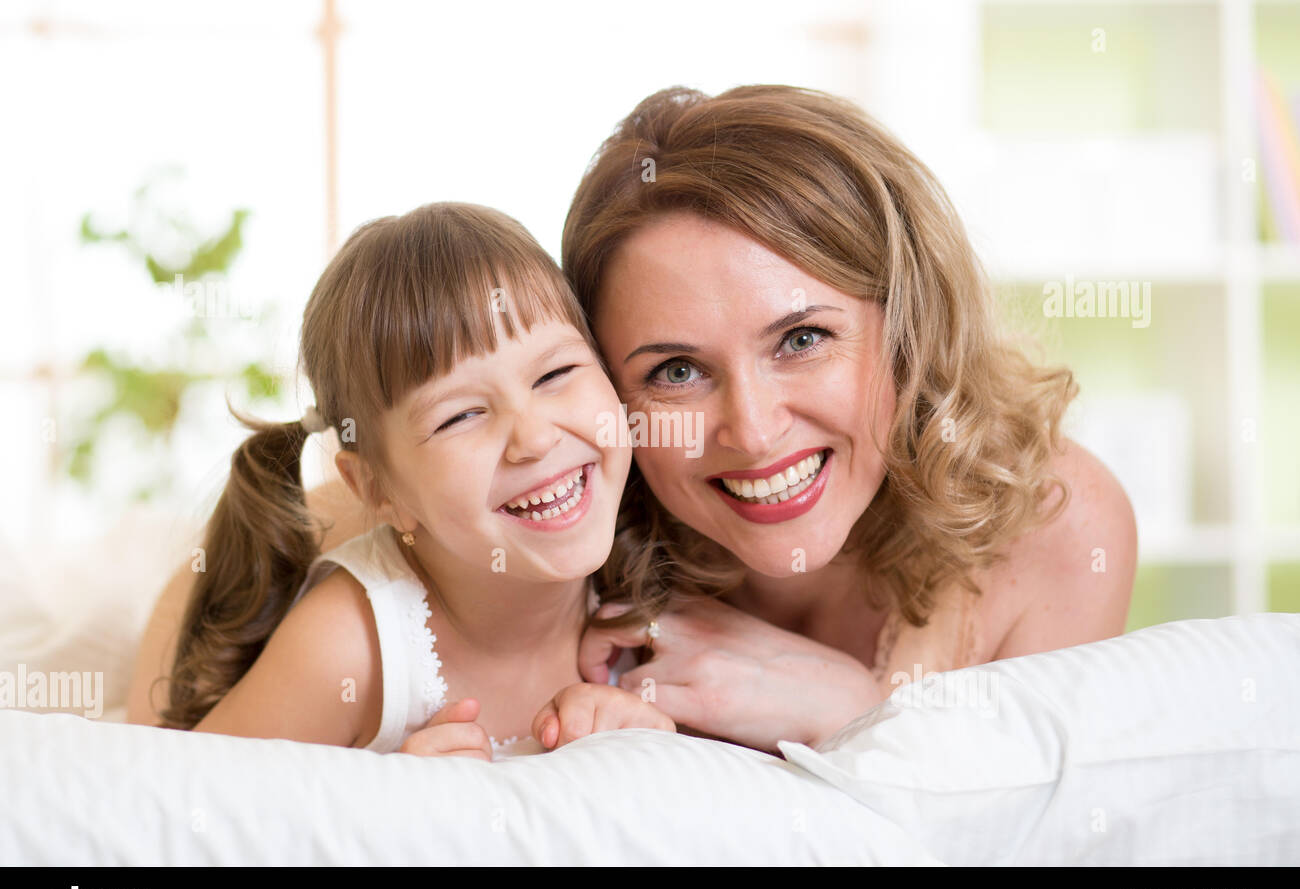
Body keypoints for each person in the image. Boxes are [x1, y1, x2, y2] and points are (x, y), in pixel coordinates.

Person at [132, 86, 1136, 757]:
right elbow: (216, 603)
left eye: (800, 339)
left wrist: (850, 709)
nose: (751, 429)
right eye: (675, 370)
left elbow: (1030, 834)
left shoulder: (1051, 528)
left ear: (910, 323)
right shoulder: (561, 504)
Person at [150, 202, 672, 758]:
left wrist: (653, 747)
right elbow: (181, 812)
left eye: (555, 373)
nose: (536, 439)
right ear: (378, 490)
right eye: (460, 416)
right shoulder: (350, 648)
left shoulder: (659, 575)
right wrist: (384, 810)